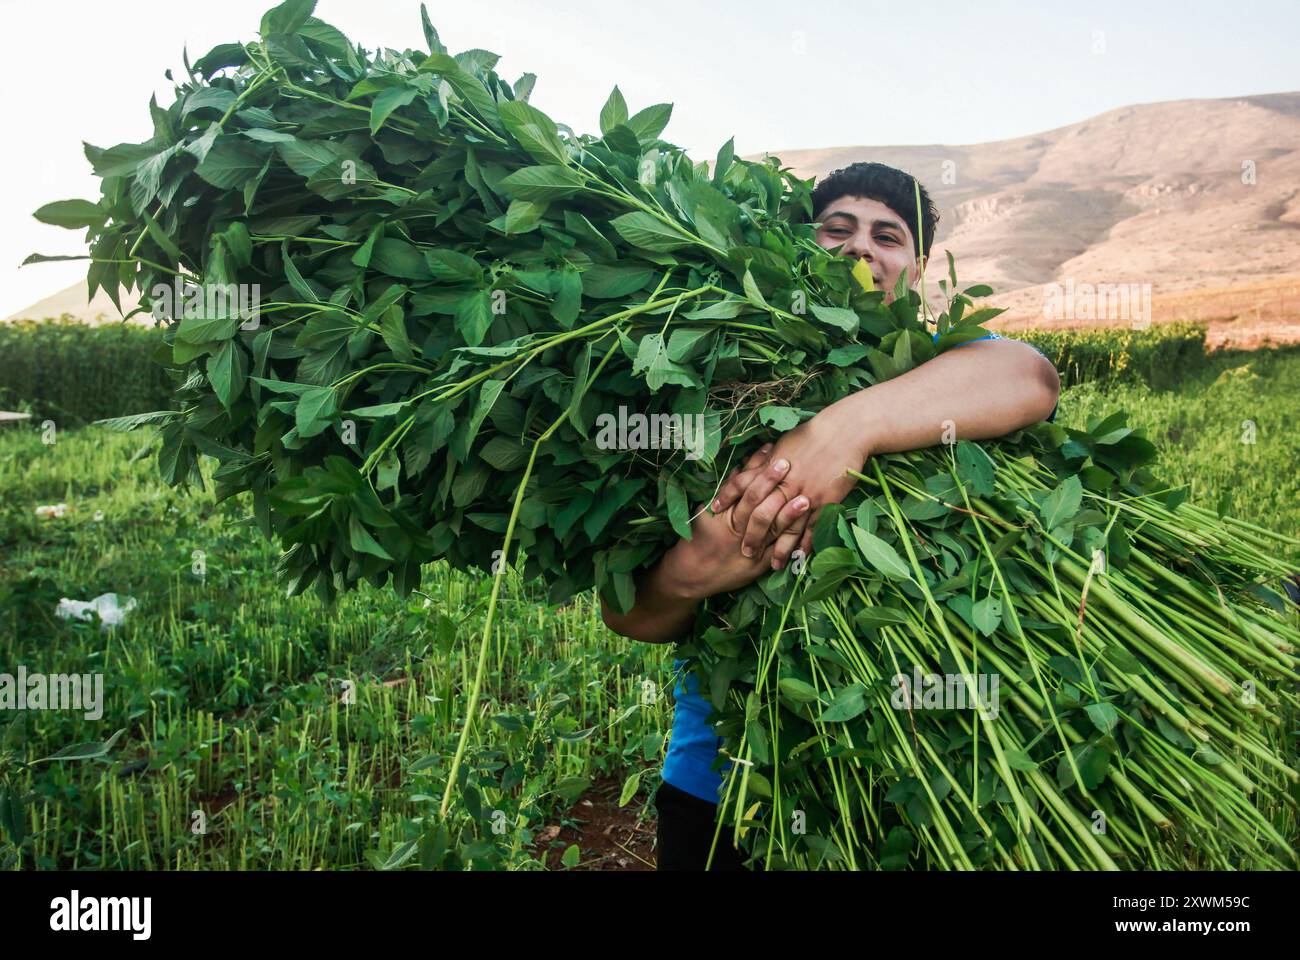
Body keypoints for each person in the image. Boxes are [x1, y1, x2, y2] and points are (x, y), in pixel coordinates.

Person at [601, 161, 1061, 870]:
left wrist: (848, 429)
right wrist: (693, 573)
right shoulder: (716, 376)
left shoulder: (941, 363)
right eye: (835, 230)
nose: (860, 248)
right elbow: (628, 615)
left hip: (908, 783)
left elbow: (1031, 377)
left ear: (919, 265)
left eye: (888, 234)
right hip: (719, 781)